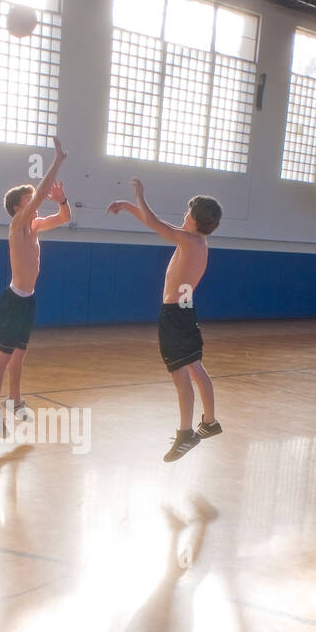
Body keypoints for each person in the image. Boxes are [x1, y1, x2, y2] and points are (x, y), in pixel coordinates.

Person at [107, 180, 222, 461]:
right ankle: (209, 422)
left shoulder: (190, 239)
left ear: (195, 219)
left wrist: (138, 196)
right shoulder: (196, 239)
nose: (184, 216)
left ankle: (186, 434)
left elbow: (155, 223)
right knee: (195, 366)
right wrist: (130, 207)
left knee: (180, 374)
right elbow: (154, 222)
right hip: (184, 310)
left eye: (187, 212)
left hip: (175, 315)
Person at [0, 137, 69, 431]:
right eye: (29, 200)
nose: (35, 202)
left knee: (19, 354)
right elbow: (40, 193)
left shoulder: (34, 226)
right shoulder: (18, 225)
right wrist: (58, 160)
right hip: (13, 300)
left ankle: (14, 400)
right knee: (3, 357)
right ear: (19, 207)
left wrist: (61, 200)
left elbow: (65, 217)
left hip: (28, 300)